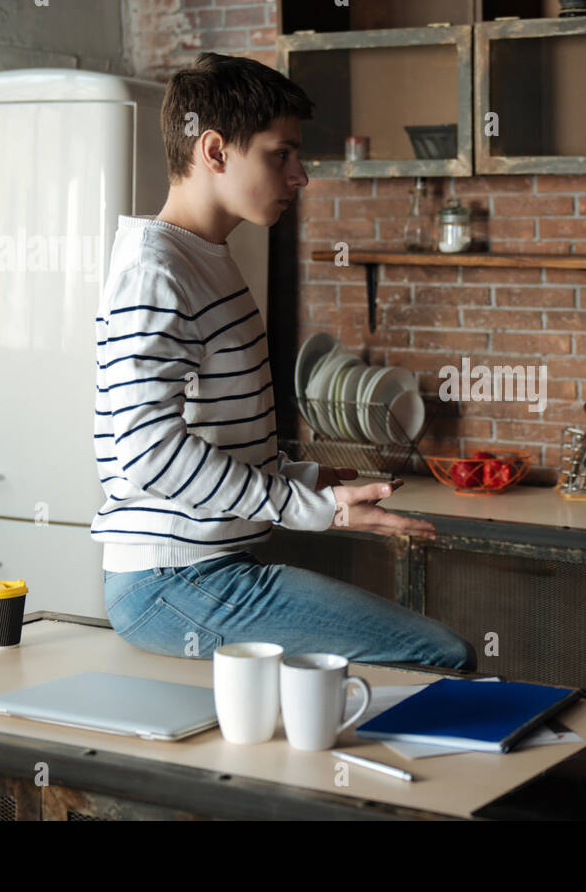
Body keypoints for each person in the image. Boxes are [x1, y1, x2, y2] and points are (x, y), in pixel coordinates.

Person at [91, 52, 475, 669]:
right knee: (440, 654)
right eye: (280, 154)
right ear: (214, 151)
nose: (300, 175)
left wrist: (297, 477)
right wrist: (316, 510)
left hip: (203, 567)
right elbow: (147, 451)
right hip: (169, 580)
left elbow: (203, 434)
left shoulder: (202, 257)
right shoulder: (155, 272)